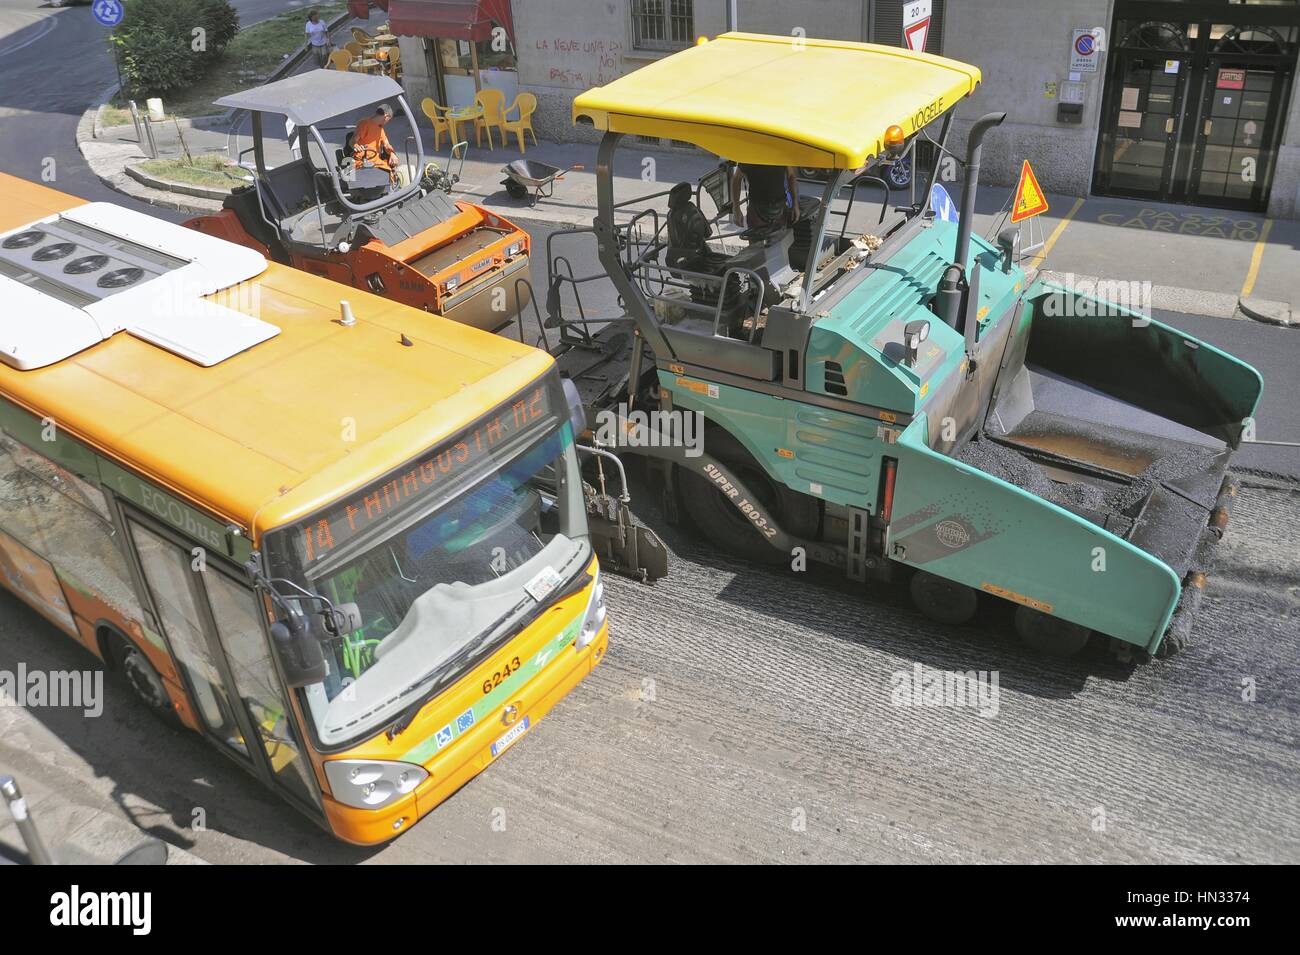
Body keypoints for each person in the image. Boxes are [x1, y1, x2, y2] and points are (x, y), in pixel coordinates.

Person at [730, 162, 799, 230]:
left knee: (780, 239)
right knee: (757, 239)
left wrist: (795, 204)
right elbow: (736, 179)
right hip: (756, 210)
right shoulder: (750, 155)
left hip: (780, 208)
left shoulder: (780, 154)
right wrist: (736, 208)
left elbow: (791, 175)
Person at [353, 104, 397, 185]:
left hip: (376, 161)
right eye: (389, 120)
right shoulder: (364, 123)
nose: (387, 122)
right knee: (382, 174)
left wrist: (392, 154)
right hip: (362, 162)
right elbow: (353, 141)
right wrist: (356, 146)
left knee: (391, 170)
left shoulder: (380, 129)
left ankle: (390, 189)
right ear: (386, 116)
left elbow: (387, 144)